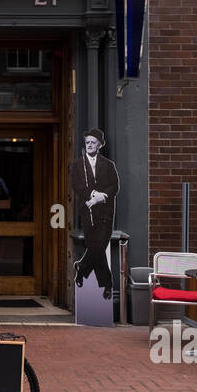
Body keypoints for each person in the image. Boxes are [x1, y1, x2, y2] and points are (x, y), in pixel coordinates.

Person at [69, 128, 119, 299]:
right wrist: (91, 195)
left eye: (93, 142)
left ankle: (82, 267)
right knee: (95, 247)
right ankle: (107, 284)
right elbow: (76, 185)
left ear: (99, 145)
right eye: (87, 142)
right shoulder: (77, 164)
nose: (89, 145)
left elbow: (114, 186)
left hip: (105, 212)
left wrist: (102, 197)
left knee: (100, 245)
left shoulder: (108, 165)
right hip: (88, 212)